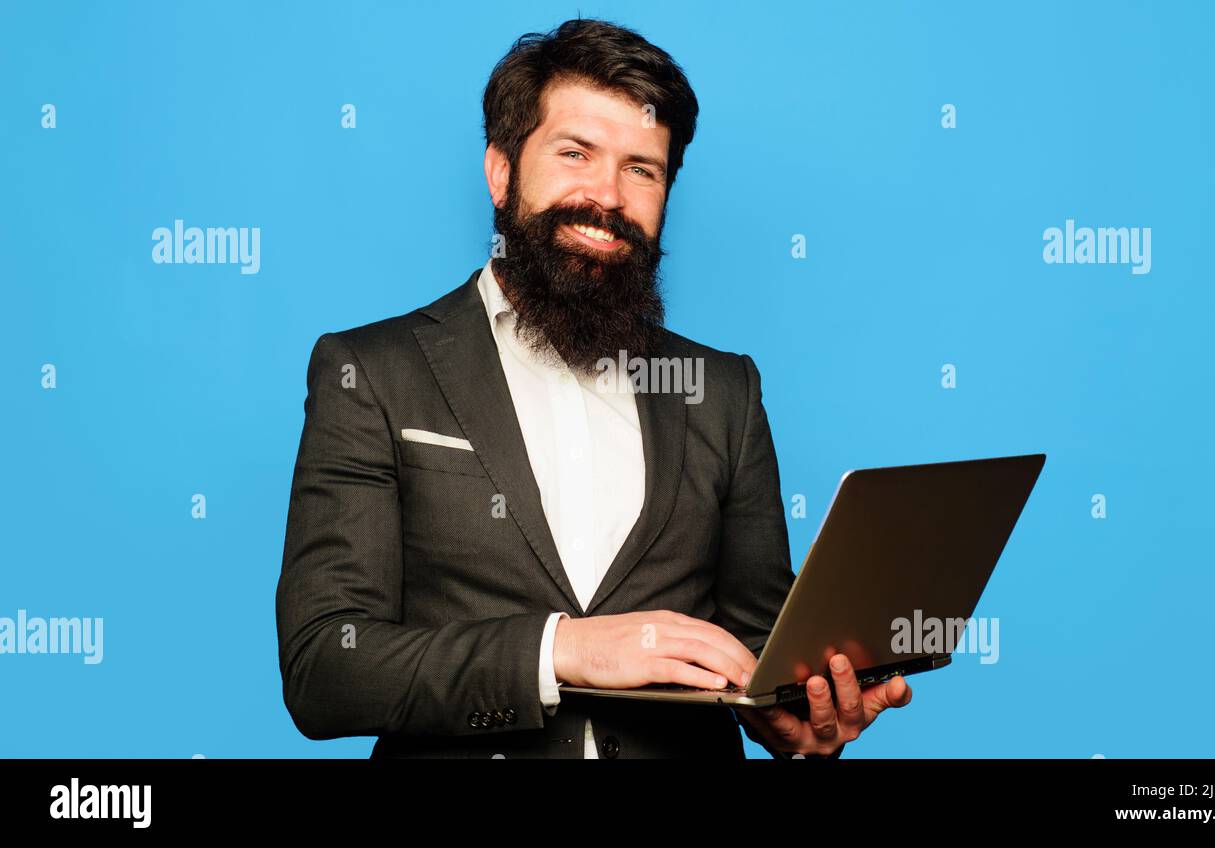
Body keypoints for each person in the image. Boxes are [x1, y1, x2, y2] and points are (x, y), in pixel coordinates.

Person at [275, 17, 911, 759]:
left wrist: (802, 715)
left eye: (642, 168)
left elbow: (756, 646)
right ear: (501, 170)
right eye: (576, 153)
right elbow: (326, 667)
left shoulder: (723, 390)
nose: (607, 197)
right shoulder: (371, 371)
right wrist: (561, 650)